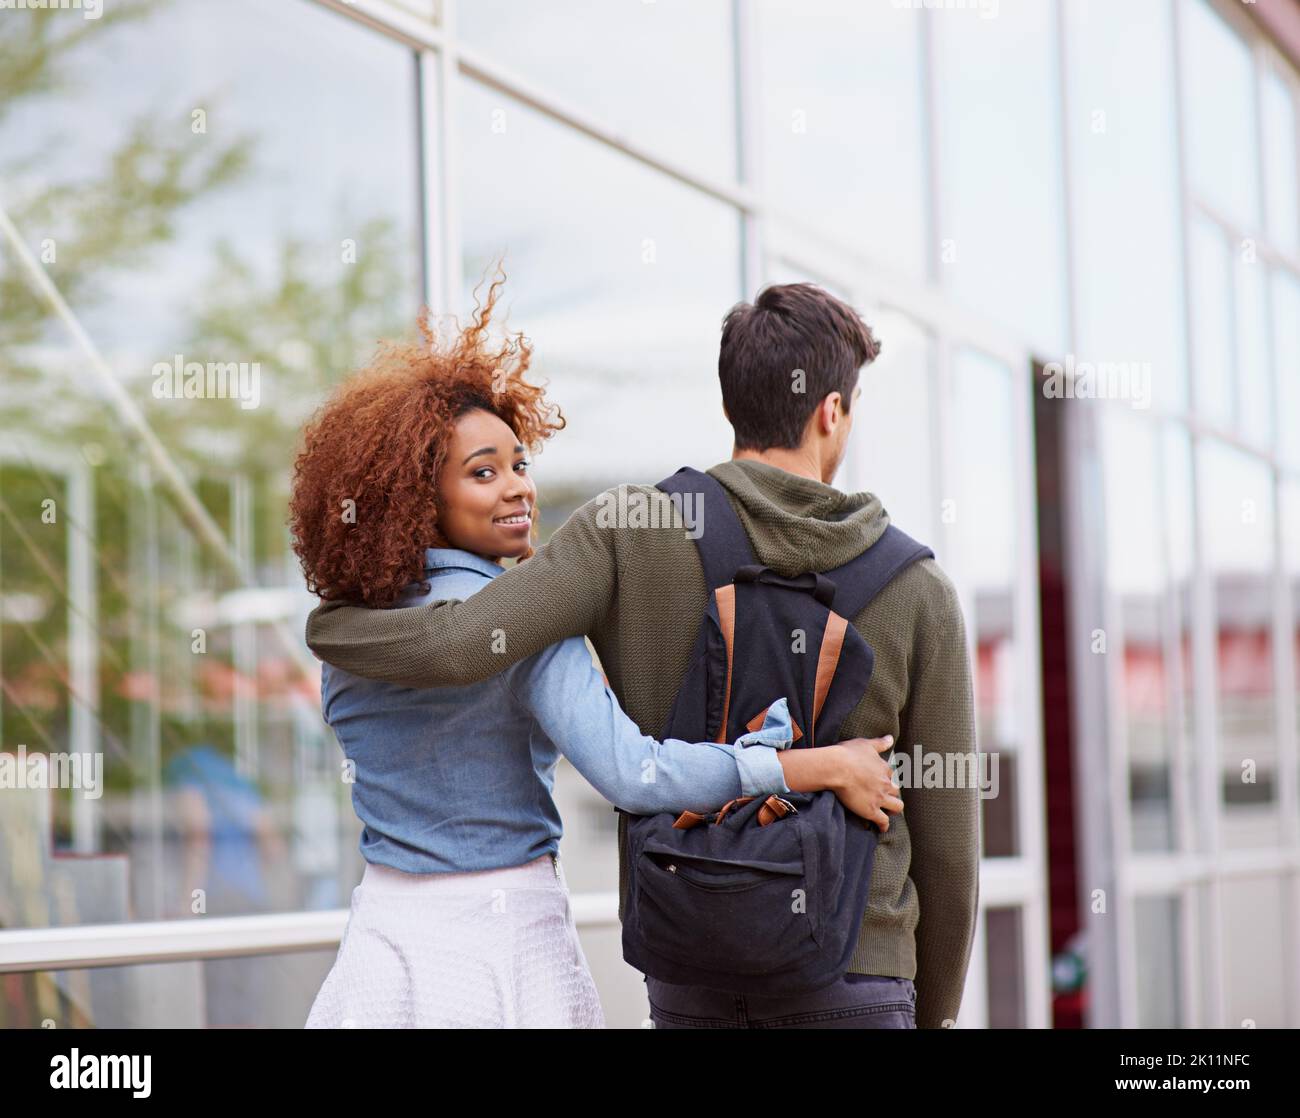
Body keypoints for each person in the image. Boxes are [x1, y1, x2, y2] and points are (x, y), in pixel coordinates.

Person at [306, 282, 980, 1030]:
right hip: (856, 971)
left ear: (730, 406)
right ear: (833, 411)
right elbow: (950, 851)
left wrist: (329, 627)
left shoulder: (626, 530)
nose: (515, 489)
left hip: (692, 966)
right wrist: (935, 1011)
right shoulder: (920, 591)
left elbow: (457, 642)